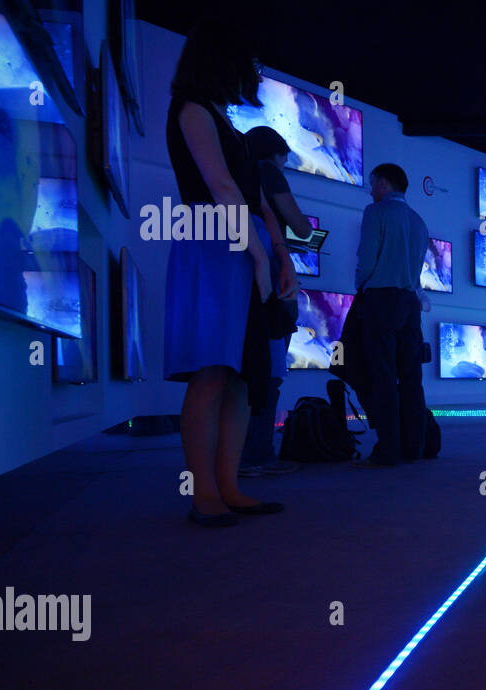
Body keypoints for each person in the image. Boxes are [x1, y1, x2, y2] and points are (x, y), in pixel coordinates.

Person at [163, 19, 296, 527]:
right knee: (214, 370)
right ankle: (206, 495)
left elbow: (254, 197)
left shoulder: (221, 117)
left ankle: (229, 486)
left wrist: (278, 253)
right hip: (215, 246)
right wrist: (262, 256)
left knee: (243, 375)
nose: (254, 74)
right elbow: (220, 188)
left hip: (242, 247)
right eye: (249, 64)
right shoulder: (193, 111)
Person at [239, 126, 306, 477]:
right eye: (284, 160)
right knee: (270, 373)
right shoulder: (267, 172)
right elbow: (301, 226)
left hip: (243, 274)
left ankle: (237, 456)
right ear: (274, 154)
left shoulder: (237, 169)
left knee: (244, 373)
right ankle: (257, 456)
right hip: (272, 279)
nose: (284, 167)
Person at [353, 163, 429, 466]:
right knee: (412, 377)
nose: (371, 191)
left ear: (383, 184)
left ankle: (389, 449)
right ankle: (414, 447)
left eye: (373, 184)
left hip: (380, 300)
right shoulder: (418, 221)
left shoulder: (376, 212)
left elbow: (366, 260)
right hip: (410, 303)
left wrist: (361, 287)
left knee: (382, 375)